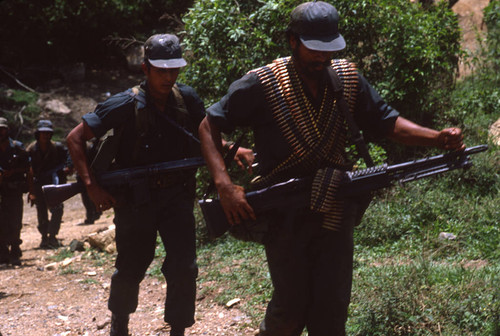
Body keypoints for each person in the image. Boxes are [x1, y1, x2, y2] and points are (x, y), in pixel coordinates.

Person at [198, 2, 465, 335]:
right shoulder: (262, 83)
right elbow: (209, 126)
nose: (322, 58)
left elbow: (388, 123)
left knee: (332, 309)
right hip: (285, 215)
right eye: (314, 50)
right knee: (290, 308)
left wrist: (437, 138)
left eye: (328, 50)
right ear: (292, 40)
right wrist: (224, 186)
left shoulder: (346, 78)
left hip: (335, 208)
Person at [66, 34, 253, 336]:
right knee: (132, 264)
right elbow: (75, 138)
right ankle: (120, 323)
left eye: (173, 70)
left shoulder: (187, 98)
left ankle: (178, 329)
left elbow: (204, 136)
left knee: (184, 266)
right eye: (160, 70)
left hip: (177, 196)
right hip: (135, 200)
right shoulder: (124, 103)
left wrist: (231, 148)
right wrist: (91, 187)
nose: (168, 77)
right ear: (145, 69)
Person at [27, 119, 71, 249]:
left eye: (48, 133)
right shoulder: (31, 149)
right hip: (39, 185)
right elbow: (28, 170)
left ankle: (52, 236)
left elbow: (69, 155)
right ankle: (44, 237)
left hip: (55, 184)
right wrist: (31, 191)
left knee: (57, 210)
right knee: (41, 212)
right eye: (43, 133)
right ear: (38, 134)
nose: (45, 135)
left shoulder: (58, 147)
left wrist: (68, 167)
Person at [0, 117, 31, 266]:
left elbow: (28, 168)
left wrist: (13, 172)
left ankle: (15, 249)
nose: (0, 132)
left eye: (2, 129)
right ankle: (3, 252)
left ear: (7, 130)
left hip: (14, 189)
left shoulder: (17, 147)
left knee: (15, 220)